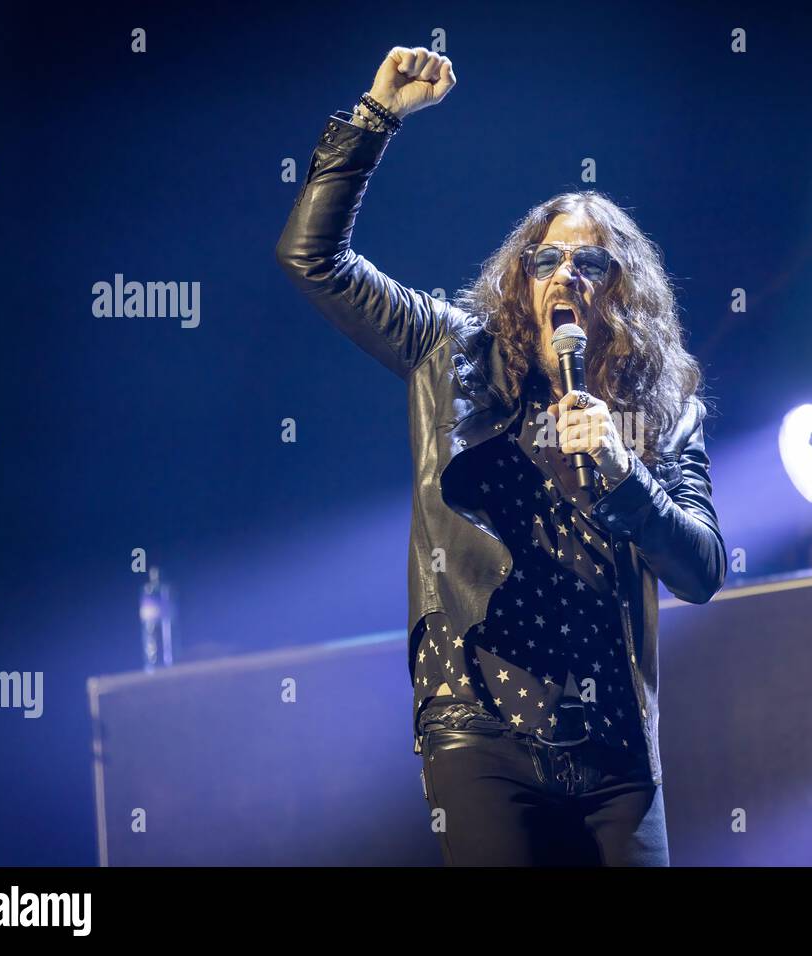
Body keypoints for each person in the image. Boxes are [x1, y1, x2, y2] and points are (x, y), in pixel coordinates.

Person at [275, 46, 726, 866]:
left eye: (589, 262)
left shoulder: (664, 410)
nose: (564, 275)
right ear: (520, 279)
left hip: (615, 745)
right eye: (545, 259)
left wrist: (624, 473)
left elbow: (701, 571)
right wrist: (374, 120)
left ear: (623, 290)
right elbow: (314, 260)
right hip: (481, 721)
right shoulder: (452, 353)